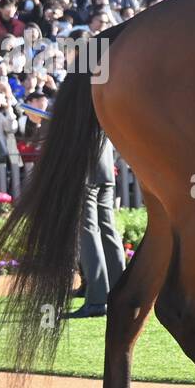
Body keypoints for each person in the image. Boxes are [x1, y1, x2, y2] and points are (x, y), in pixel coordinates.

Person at [70, 135, 126, 318]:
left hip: (84, 168)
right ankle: (122, 293)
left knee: (88, 231)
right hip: (105, 164)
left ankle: (96, 300)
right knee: (107, 229)